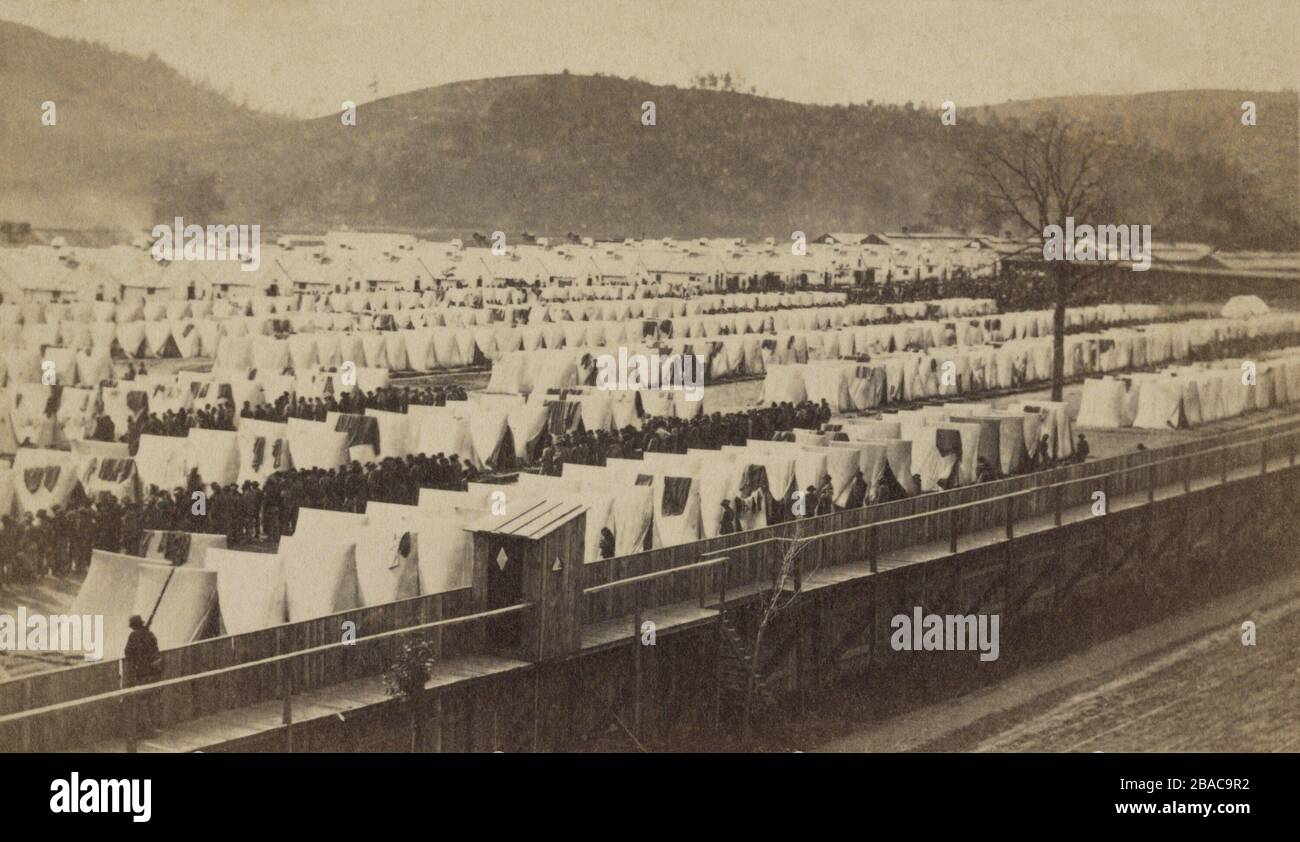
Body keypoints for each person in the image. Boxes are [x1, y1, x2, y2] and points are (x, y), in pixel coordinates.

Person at [123, 615, 163, 738]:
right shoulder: (150, 635)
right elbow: (156, 650)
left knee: (142, 703)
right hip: (153, 673)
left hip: (141, 674)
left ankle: (148, 730)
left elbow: (128, 653)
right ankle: (153, 728)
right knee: (152, 701)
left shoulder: (134, 636)